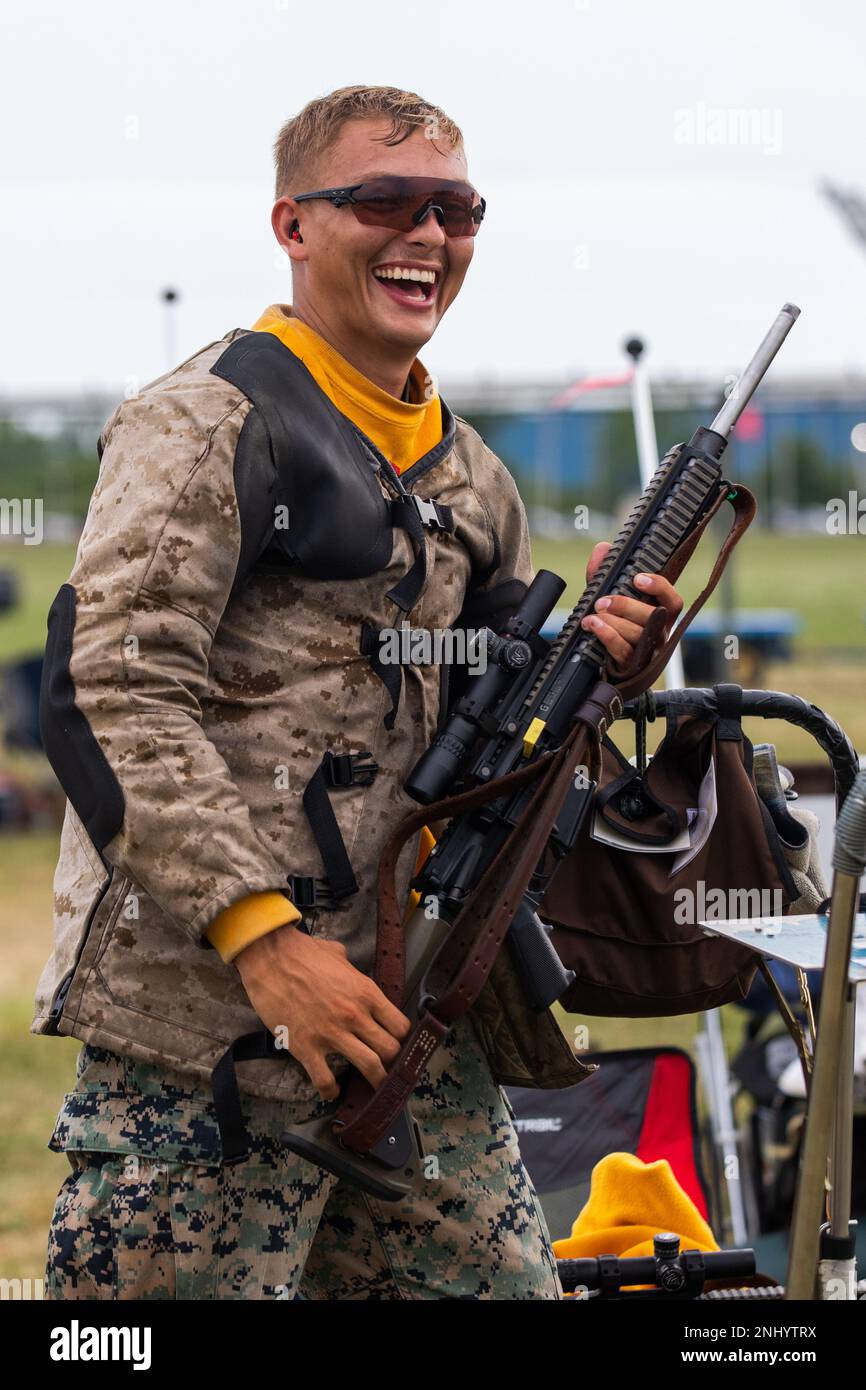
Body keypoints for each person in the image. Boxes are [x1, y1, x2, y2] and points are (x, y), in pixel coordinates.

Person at [34, 84, 684, 1300]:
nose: (426, 235)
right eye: (383, 200)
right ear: (292, 225)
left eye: (454, 208)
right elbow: (111, 690)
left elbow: (502, 741)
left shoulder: (472, 473)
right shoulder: (208, 419)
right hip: (212, 1036)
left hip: (410, 1019)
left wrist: (598, 662)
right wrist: (265, 943)